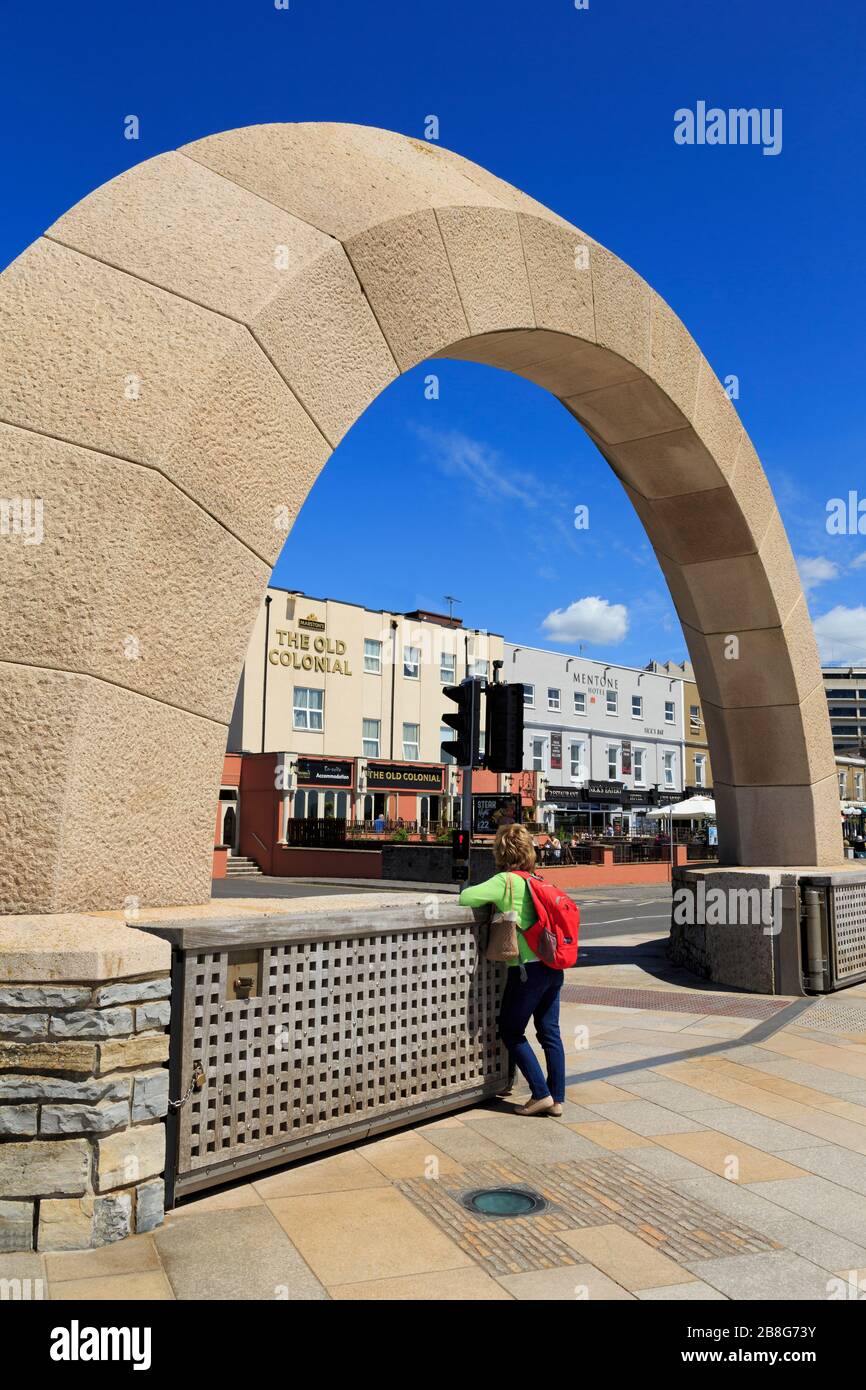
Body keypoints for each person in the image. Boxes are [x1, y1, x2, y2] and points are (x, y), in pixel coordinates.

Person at [458, 824, 566, 1117]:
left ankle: (540, 1093)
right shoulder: (536, 879)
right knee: (550, 1033)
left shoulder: (505, 882)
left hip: (526, 970)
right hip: (553, 967)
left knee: (510, 1029)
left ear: (501, 851)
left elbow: (465, 898)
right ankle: (557, 1098)